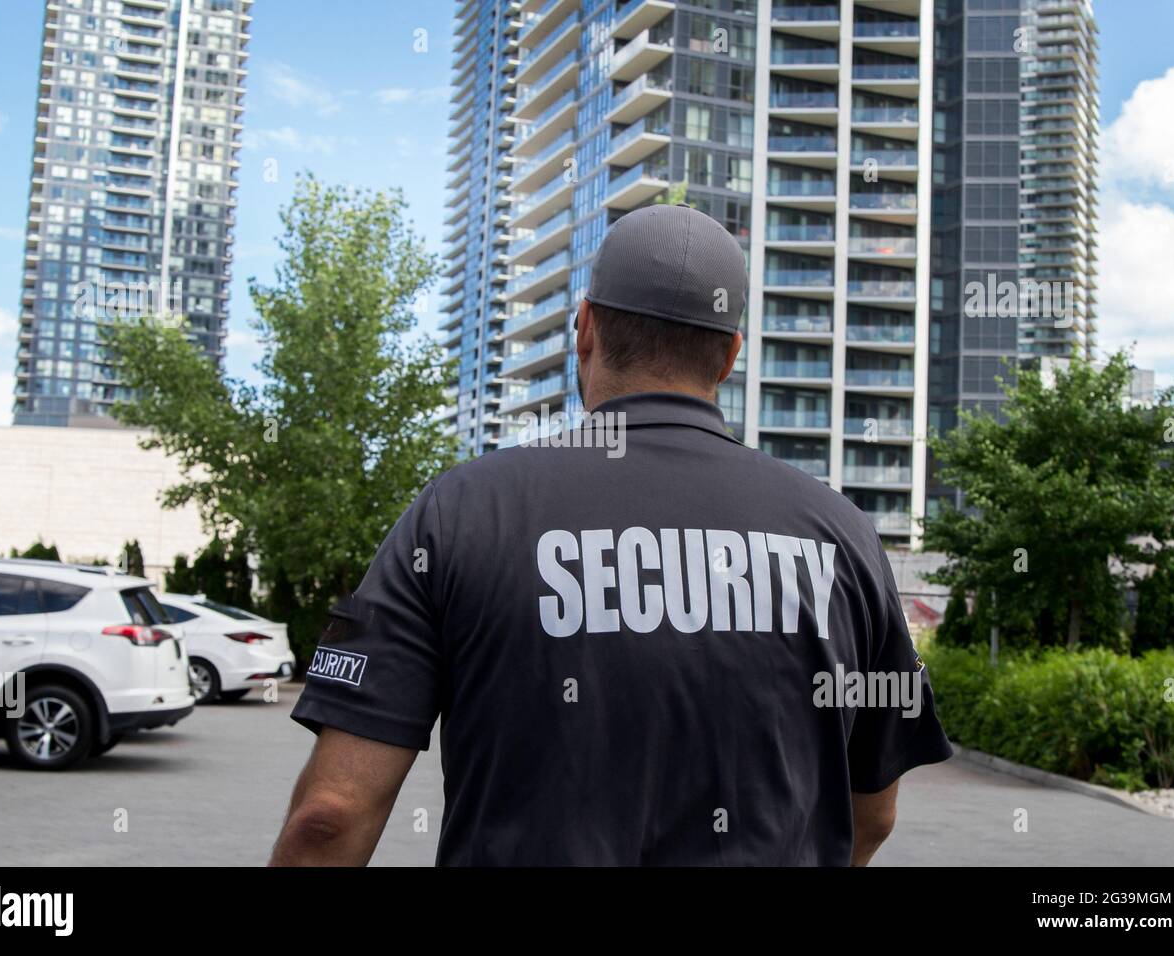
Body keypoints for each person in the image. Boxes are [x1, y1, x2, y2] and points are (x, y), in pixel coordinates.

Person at [269, 203, 952, 867]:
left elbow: (331, 816)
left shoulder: (459, 512)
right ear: (729, 356)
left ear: (586, 328)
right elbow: (873, 814)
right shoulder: (843, 535)